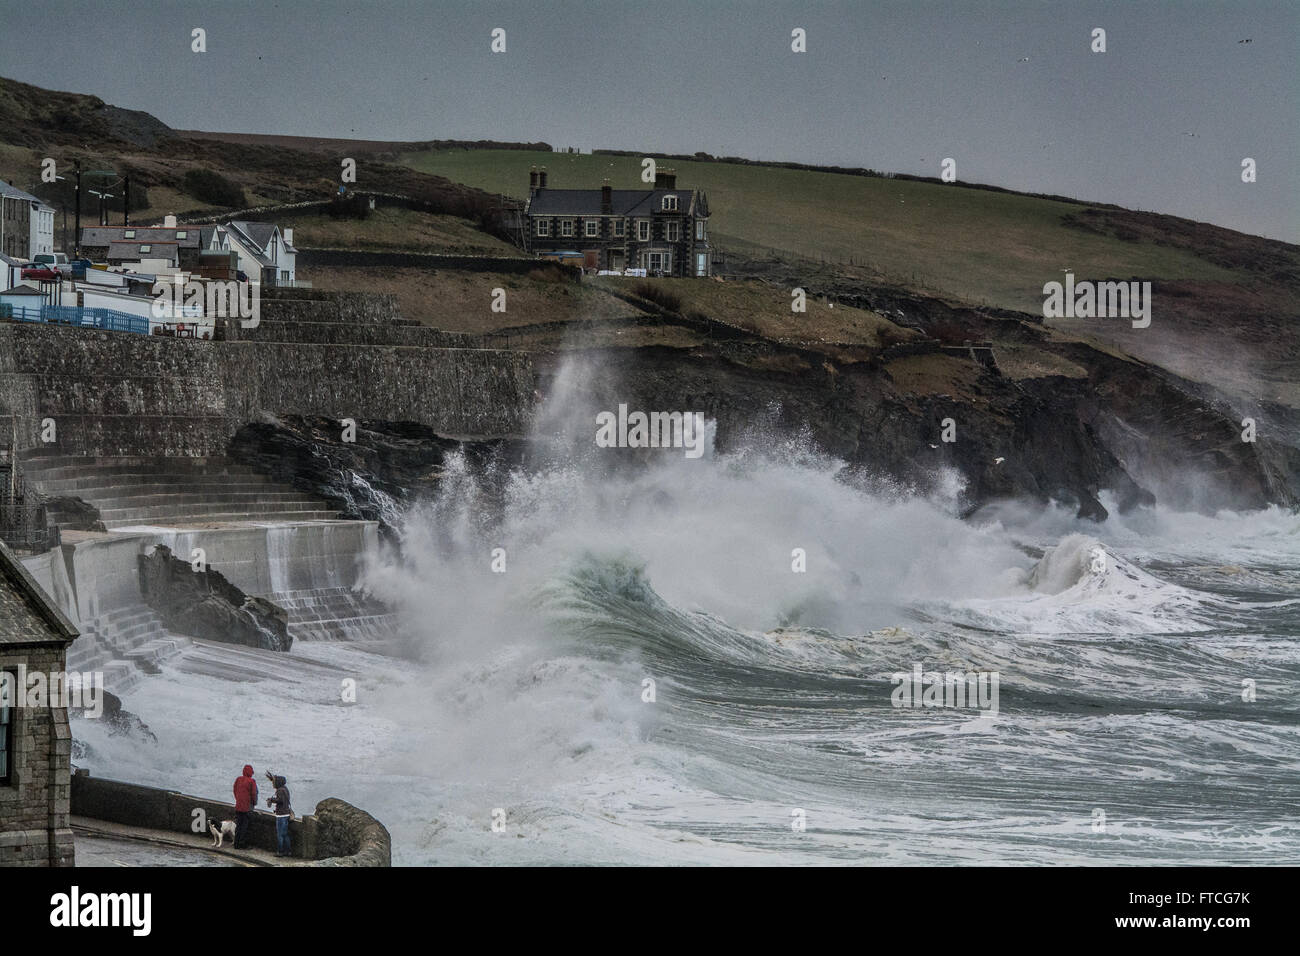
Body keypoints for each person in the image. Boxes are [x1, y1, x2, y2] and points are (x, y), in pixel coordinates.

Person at [265, 773, 293, 857]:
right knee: (285, 834)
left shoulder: (280, 790)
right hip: (286, 814)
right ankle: (288, 851)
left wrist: (271, 800)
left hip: (281, 815)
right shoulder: (285, 789)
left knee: (280, 834)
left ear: (278, 783)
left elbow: (280, 800)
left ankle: (280, 851)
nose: (273, 784)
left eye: (274, 782)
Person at [231, 764, 258, 849]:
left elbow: (234, 790)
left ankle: (236, 843)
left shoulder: (238, 779)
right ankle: (242, 844)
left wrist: (238, 799)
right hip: (247, 807)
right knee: (245, 826)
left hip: (238, 806)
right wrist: (254, 802)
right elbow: (253, 794)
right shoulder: (251, 781)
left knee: (238, 825)